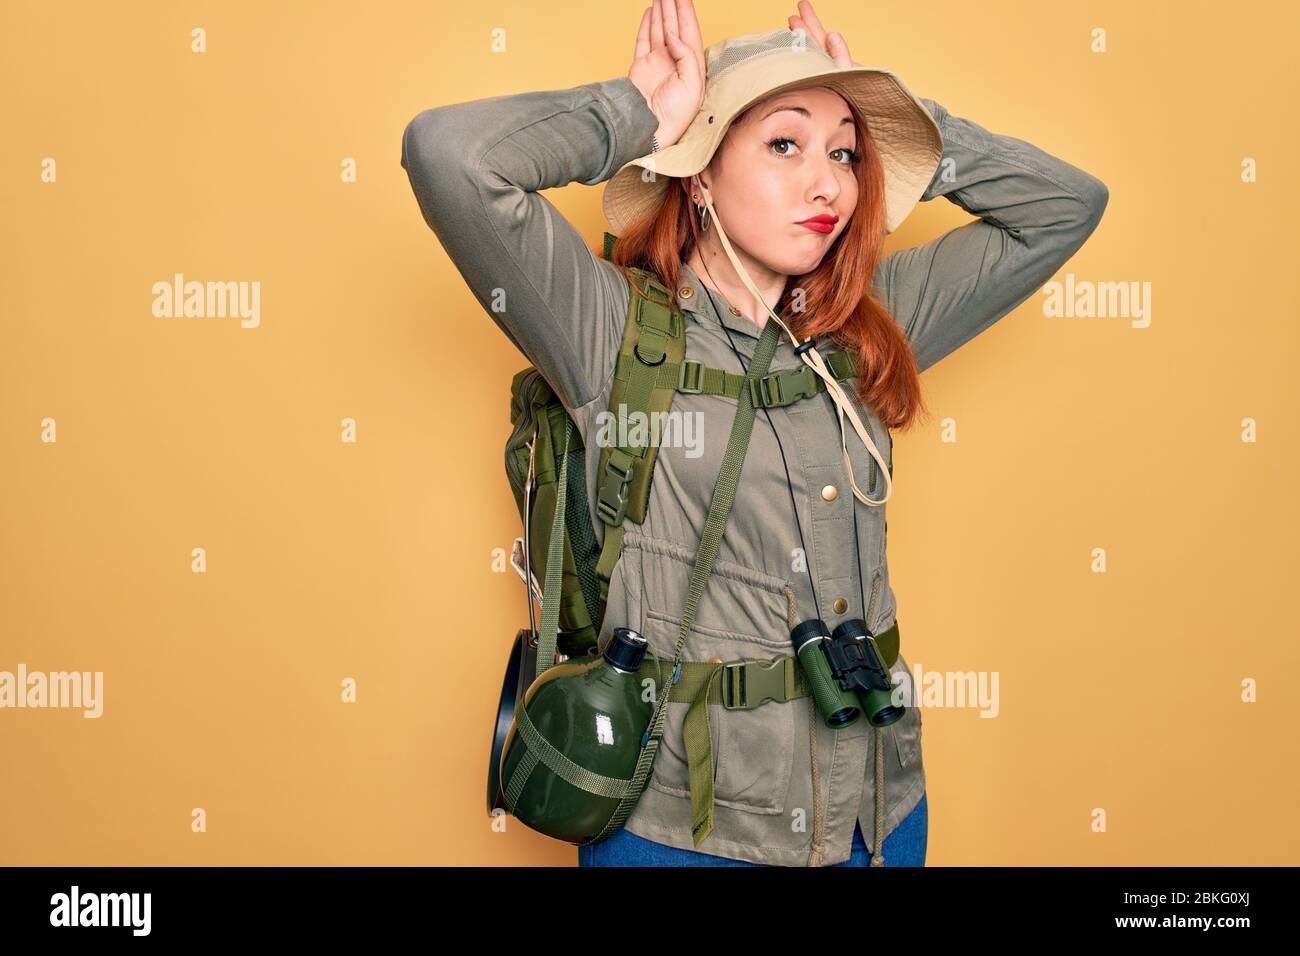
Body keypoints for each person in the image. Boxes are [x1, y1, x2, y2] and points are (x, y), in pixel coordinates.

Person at [401, 0, 1108, 867]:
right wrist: (640, 115)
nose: (829, 185)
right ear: (699, 170)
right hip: (685, 831)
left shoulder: (864, 329)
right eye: (785, 143)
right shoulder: (605, 328)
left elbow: (1066, 206)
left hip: (875, 815)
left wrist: (907, 126)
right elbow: (449, 155)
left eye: (845, 153)